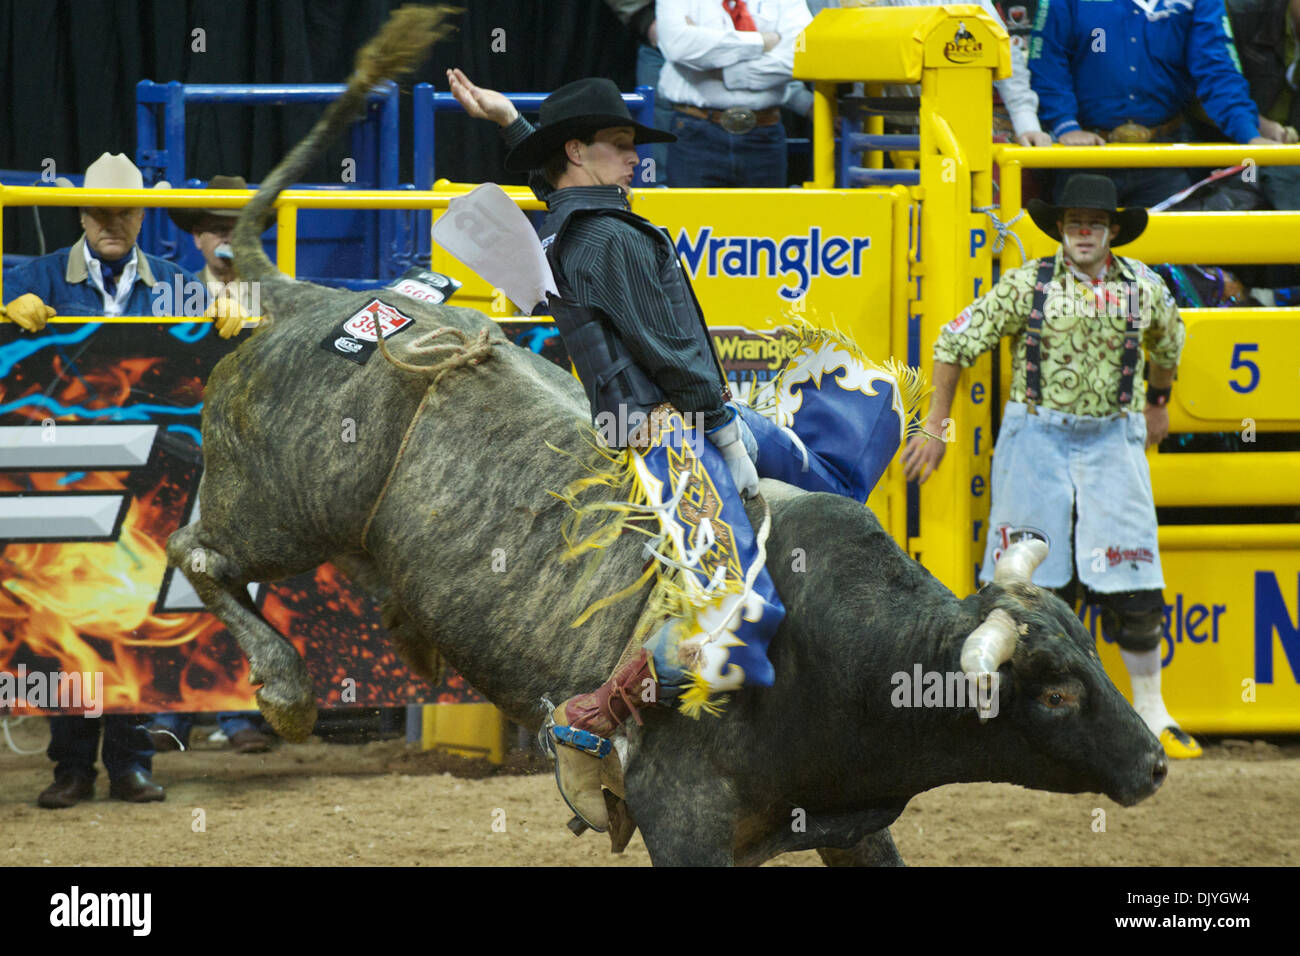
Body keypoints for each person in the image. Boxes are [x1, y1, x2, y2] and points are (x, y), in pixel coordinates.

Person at [448, 69, 913, 829]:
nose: (635, 158)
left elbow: (553, 183)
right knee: (737, 620)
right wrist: (725, 432)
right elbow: (667, 348)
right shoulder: (605, 237)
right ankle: (596, 713)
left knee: (831, 478)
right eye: (620, 145)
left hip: (685, 417)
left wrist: (510, 120)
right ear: (579, 151)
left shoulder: (576, 221)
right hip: (669, 432)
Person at [900, 173, 1201, 760]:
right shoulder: (1027, 285)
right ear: (1061, 228)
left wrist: (1158, 403)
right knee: (1028, 586)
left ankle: (1151, 710)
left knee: (1132, 573)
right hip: (1037, 438)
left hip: (1112, 436)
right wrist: (936, 422)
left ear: (1113, 230)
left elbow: (1169, 347)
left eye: (1094, 222)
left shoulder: (1145, 288)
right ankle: (1024, 717)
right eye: (1073, 222)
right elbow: (954, 340)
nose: (1083, 231)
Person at [1028, 0, 1289, 206]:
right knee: (1082, 259)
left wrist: (1248, 133)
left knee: (1172, 261)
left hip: (1165, 153)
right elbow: (1047, 60)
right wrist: (1066, 125)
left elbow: (1217, 66)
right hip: (1087, 152)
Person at [654, 0, 814, 186]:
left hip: (764, 134)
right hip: (696, 132)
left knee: (765, 216)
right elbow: (678, 45)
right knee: (692, 215)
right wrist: (762, 42)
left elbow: (801, 55)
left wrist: (723, 69)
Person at [167, 174, 255, 337]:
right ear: (198, 237)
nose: (229, 239)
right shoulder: (174, 297)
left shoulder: (274, 298)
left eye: (239, 232)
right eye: (218, 230)